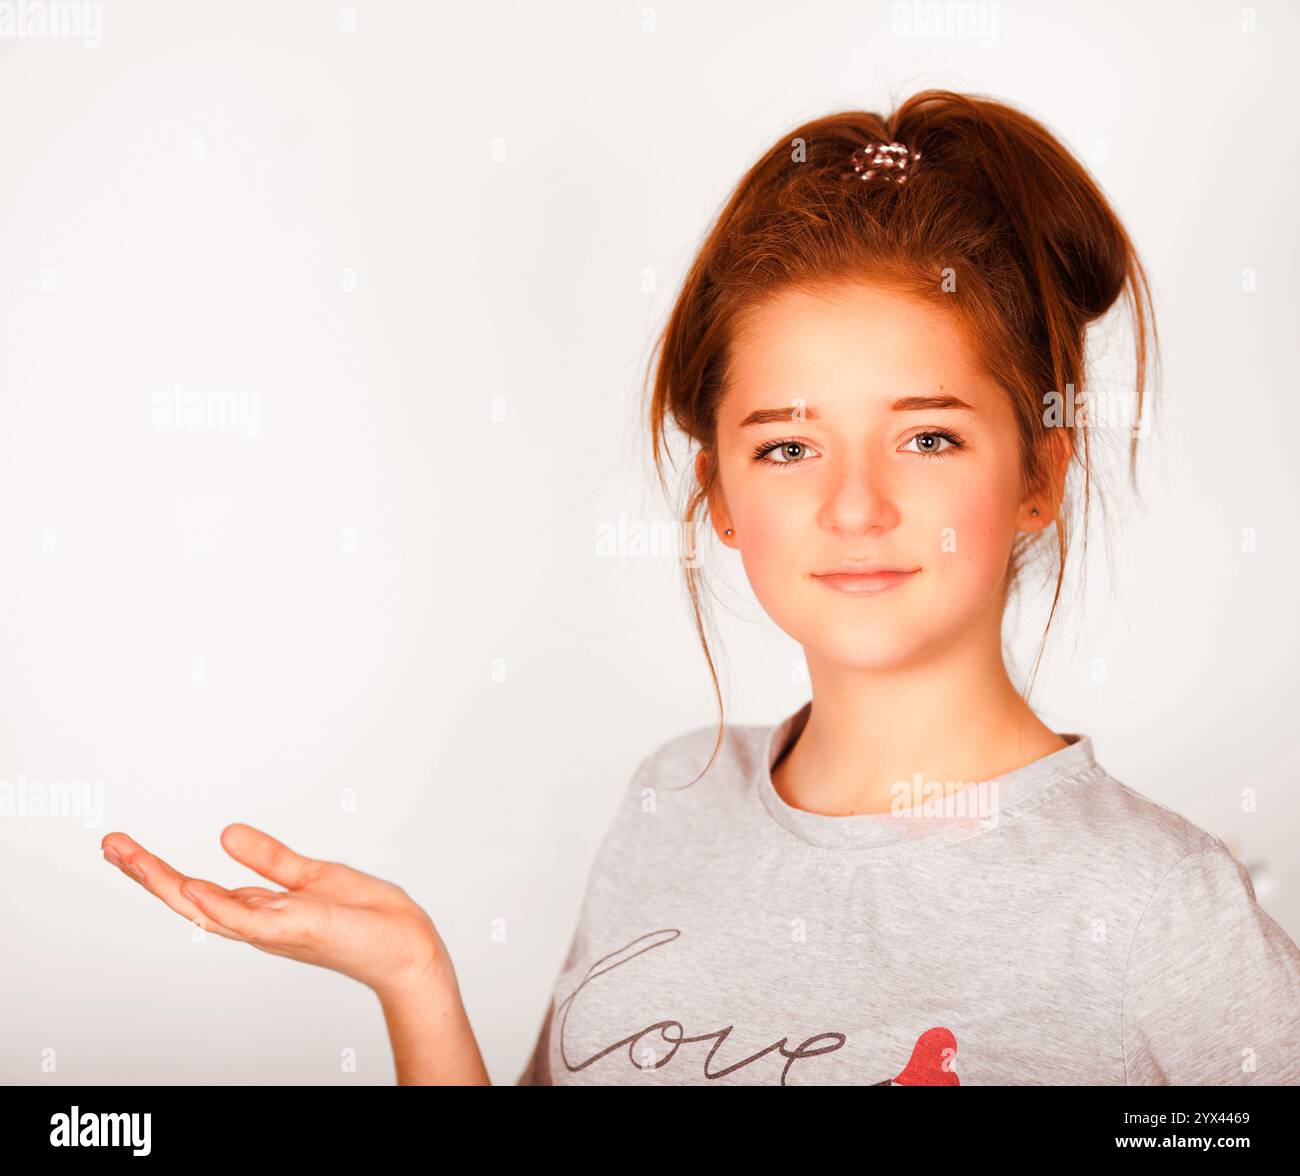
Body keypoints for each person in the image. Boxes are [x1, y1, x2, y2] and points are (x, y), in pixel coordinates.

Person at [101, 89, 1300, 1085]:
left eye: (927, 438)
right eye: (786, 446)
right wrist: (413, 977)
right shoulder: (669, 799)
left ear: (1039, 469)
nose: (854, 506)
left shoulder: (1162, 908)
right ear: (720, 494)